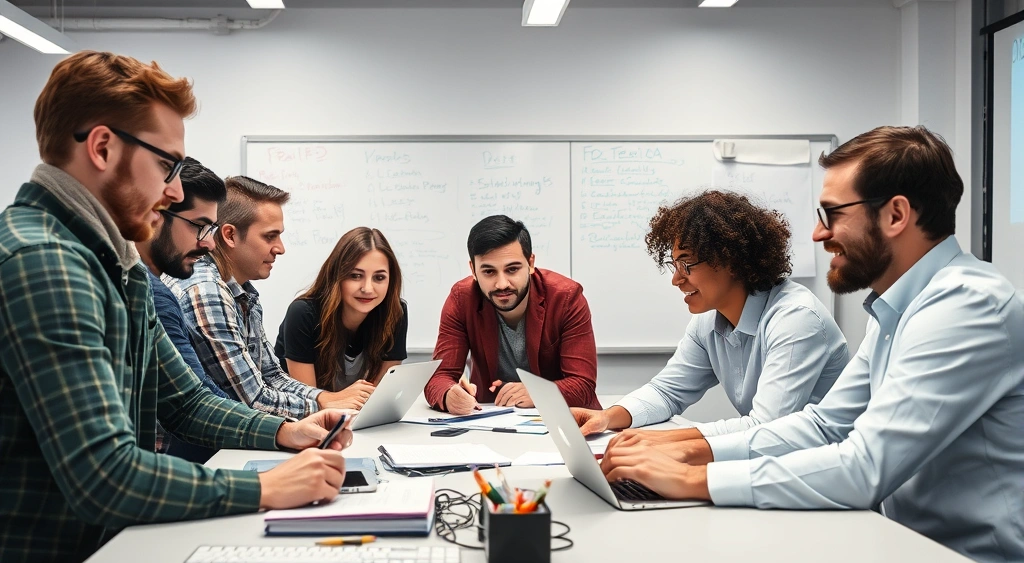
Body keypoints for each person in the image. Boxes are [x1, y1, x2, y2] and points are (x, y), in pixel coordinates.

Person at [600, 126, 1024, 563]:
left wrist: (693, 477)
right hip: (901, 546)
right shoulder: (898, 309)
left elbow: (863, 467)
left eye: (832, 214)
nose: (819, 235)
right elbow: (824, 425)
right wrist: (692, 452)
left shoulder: (967, 306)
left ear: (896, 215)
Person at [0, 51, 354, 563]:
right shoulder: (45, 261)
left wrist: (286, 433)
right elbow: (105, 475)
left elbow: (185, 402)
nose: (171, 190)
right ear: (102, 147)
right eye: (166, 164)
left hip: (105, 552)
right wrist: (263, 486)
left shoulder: (116, 265)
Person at [572, 190, 848, 441]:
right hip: (774, 465)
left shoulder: (796, 319)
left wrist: (661, 442)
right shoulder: (708, 322)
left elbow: (766, 427)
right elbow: (667, 392)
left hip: (825, 477)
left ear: (731, 261)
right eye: (674, 265)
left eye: (687, 264)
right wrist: (606, 418)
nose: (676, 280)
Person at [167, 176, 358, 418]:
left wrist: (324, 397)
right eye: (270, 236)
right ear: (230, 236)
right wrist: (324, 406)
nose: (280, 248)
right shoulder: (207, 291)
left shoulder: (242, 291)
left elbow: (271, 375)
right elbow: (252, 400)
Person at [425, 215, 600, 415]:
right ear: (473, 270)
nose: (502, 284)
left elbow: (583, 385)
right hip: (490, 419)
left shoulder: (566, 297)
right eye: (489, 272)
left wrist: (538, 392)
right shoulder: (461, 299)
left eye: (512, 269)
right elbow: (438, 378)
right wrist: (449, 394)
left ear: (530, 263)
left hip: (559, 420)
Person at [135, 156, 235, 463]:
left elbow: (191, 399)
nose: (210, 244)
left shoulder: (146, 286)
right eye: (200, 227)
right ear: (157, 213)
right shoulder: (153, 294)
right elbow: (191, 404)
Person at [276, 227, 409, 402]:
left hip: (355, 420)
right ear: (336, 276)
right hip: (298, 418)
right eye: (355, 276)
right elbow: (307, 402)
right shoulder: (303, 313)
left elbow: (377, 400)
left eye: (379, 278)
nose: (367, 288)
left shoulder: (395, 313)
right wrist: (343, 399)